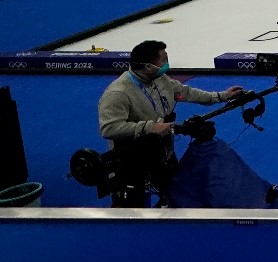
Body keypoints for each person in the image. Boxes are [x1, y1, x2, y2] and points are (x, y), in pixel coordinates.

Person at [96, 41, 245, 207]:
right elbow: (109, 128)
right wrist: (150, 127)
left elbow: (185, 92)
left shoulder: (160, 79)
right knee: (132, 207)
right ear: (147, 67)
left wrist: (221, 96)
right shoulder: (118, 93)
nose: (167, 64)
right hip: (132, 159)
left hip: (163, 152)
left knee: (177, 195)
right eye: (163, 60)